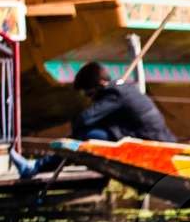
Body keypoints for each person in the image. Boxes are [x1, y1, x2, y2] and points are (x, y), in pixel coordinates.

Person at [10, 61, 175, 177]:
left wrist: (76, 133)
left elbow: (83, 119)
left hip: (150, 142)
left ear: (99, 85)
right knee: (87, 134)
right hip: (145, 136)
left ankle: (35, 168)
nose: (90, 99)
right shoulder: (122, 88)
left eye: (89, 94)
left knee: (85, 135)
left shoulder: (114, 94)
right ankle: (37, 166)